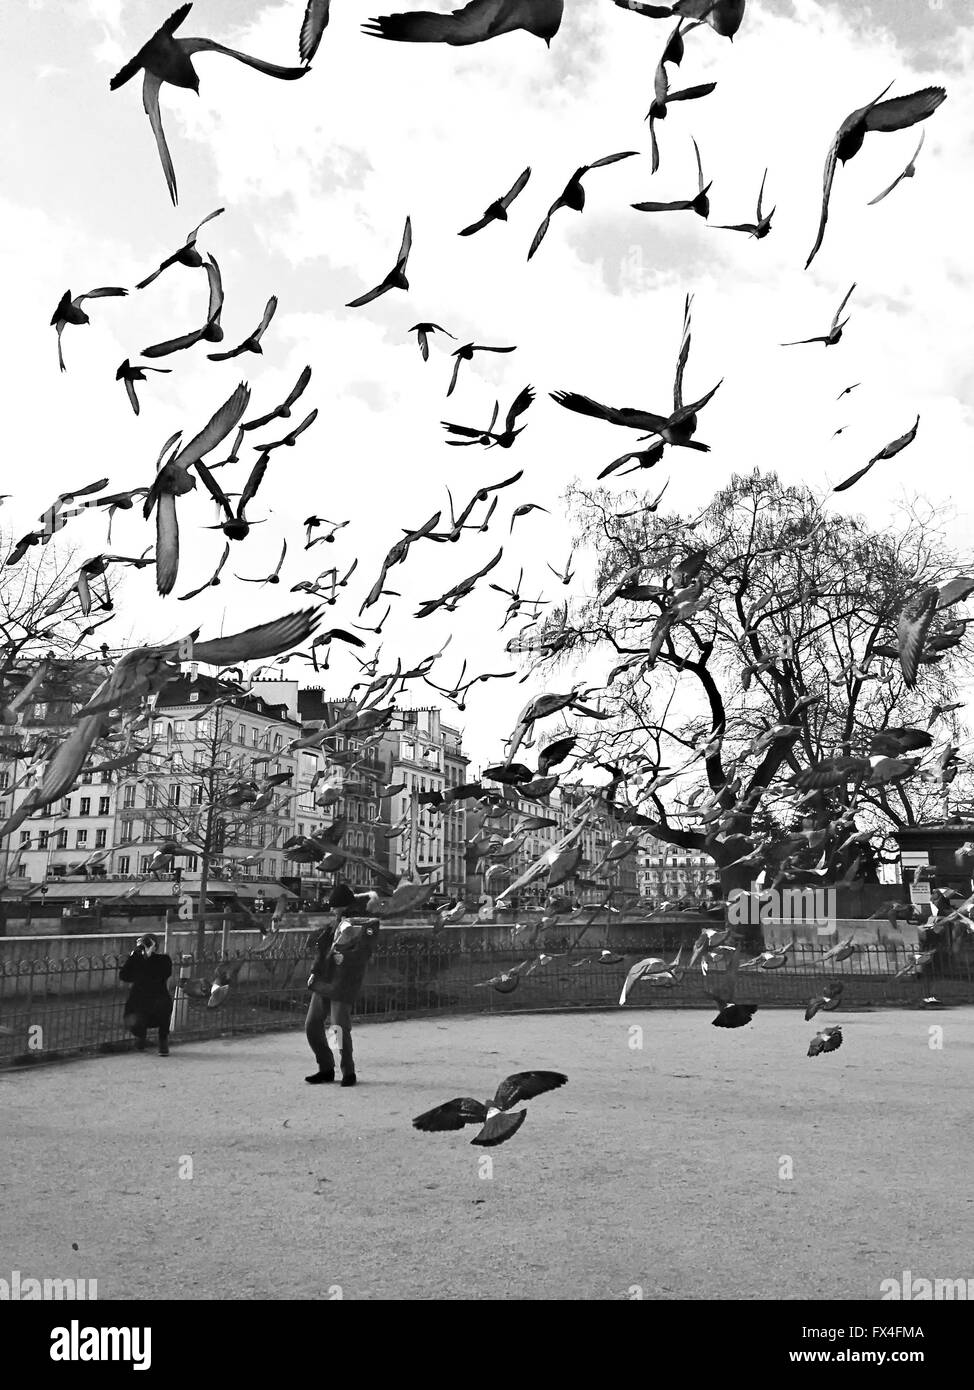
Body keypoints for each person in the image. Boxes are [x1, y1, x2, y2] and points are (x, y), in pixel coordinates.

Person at [304, 900, 380, 1087]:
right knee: (312, 1024)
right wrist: (314, 971)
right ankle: (326, 1068)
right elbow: (322, 952)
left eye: (335, 904)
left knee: (338, 1028)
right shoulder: (333, 926)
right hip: (325, 979)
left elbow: (365, 952)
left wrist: (345, 957)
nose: (331, 909)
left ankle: (348, 1071)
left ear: (343, 906)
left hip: (344, 983)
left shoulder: (364, 923)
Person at [119, 933, 173, 1056]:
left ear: (156, 946)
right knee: (134, 1016)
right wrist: (135, 955)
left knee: (163, 1009)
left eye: (148, 944)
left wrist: (149, 955)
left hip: (158, 999)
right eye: (144, 944)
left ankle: (163, 1042)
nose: (146, 947)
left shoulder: (163, 960)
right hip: (139, 1000)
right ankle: (140, 1038)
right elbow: (124, 975)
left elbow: (164, 974)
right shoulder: (137, 960)